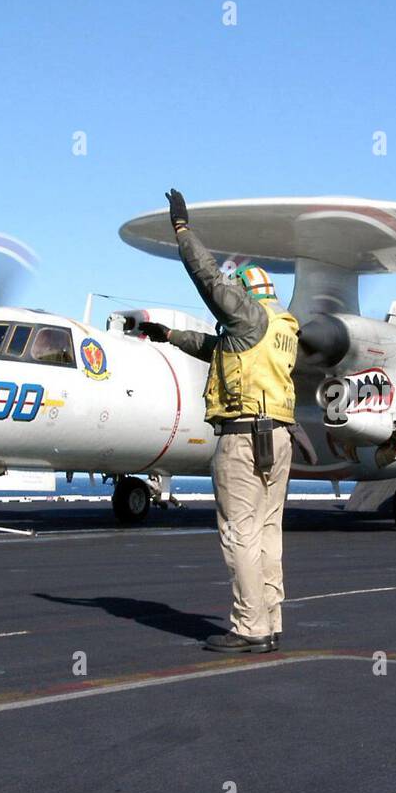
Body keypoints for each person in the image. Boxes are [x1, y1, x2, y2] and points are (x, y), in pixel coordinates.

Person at [157, 188, 300, 654]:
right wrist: (167, 336)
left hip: (242, 440)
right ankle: (271, 619)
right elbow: (214, 348)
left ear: (246, 296)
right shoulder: (277, 329)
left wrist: (183, 229)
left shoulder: (247, 315)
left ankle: (248, 627)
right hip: (278, 438)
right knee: (268, 533)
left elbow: (207, 276)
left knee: (239, 533)